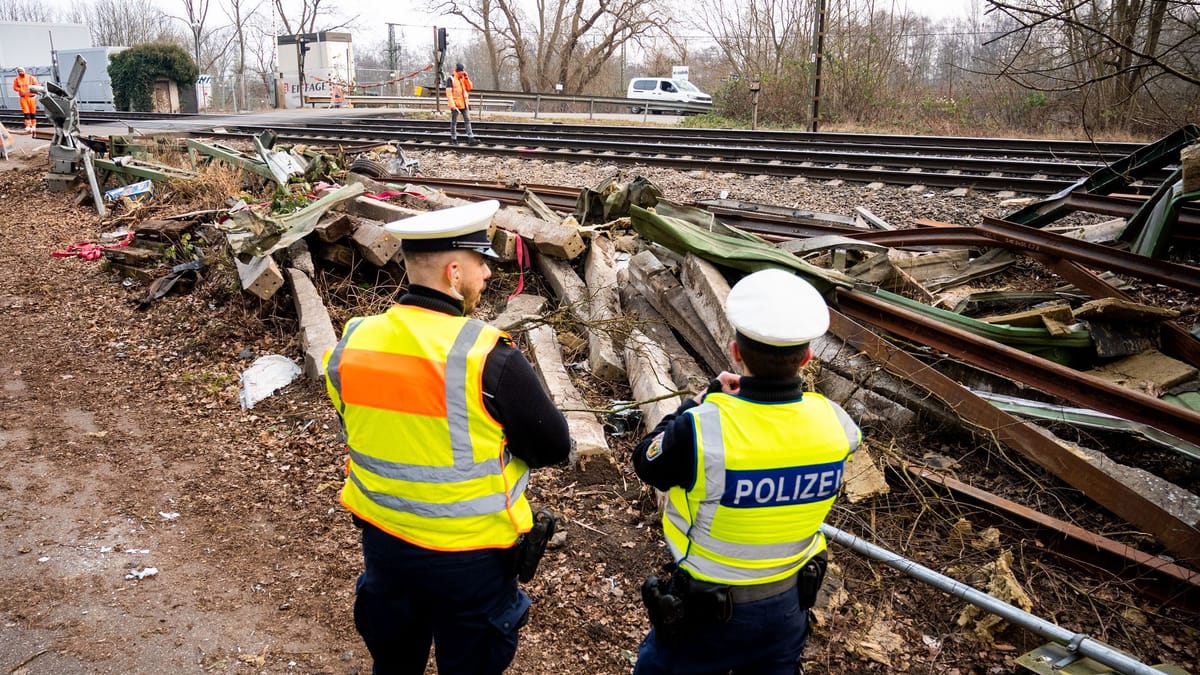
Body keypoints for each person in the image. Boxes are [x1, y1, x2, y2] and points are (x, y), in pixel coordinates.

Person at [324, 199, 571, 675]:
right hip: (470, 560)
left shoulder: (352, 342)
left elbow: (355, 423)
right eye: (482, 264)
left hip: (386, 547)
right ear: (454, 273)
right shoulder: (486, 356)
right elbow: (552, 446)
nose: (488, 276)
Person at [630, 268, 862, 675]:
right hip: (788, 607)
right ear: (807, 358)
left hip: (706, 615)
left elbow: (646, 462)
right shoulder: (838, 424)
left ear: (735, 352)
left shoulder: (701, 429)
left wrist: (696, 403)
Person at [446, 62, 478, 145]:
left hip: (464, 103)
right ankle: (453, 139)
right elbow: (449, 94)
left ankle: (471, 138)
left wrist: (467, 78)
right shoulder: (451, 79)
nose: (463, 72)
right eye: (462, 71)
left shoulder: (463, 78)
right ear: (458, 71)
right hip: (455, 105)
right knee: (454, 122)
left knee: (468, 120)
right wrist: (453, 106)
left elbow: (469, 87)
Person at [12, 67, 39, 134]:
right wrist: (20, 89)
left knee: (32, 112)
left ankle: (33, 125)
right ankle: (28, 125)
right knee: (26, 112)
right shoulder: (16, 79)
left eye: (21, 71)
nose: (20, 72)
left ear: (24, 71)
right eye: (19, 71)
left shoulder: (31, 78)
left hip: (31, 97)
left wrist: (32, 89)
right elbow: (14, 87)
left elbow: (36, 86)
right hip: (23, 98)